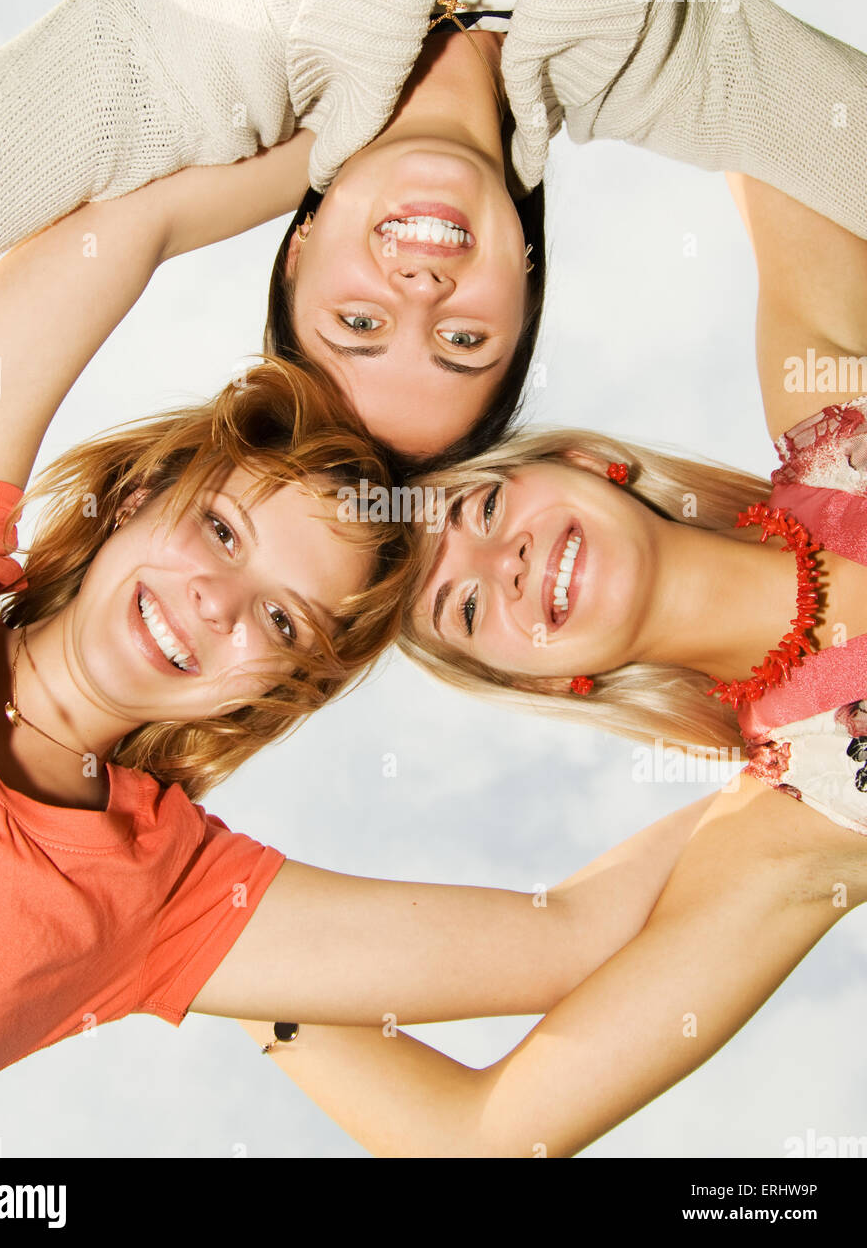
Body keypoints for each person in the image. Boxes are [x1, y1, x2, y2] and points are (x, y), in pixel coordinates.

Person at [0, 166, 726, 1131]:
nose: (218, 605)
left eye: (283, 622)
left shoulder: (157, 895)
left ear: (273, 693)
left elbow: (574, 939)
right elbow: (132, 218)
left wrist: (812, 730)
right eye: (220, 531)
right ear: (136, 497)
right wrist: (403, 128)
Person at [226, 169, 867, 1154]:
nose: (502, 561)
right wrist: (190, 923)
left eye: (481, 509)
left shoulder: (830, 396)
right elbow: (476, 1136)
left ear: (578, 463)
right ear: (538, 677)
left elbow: (765, 112)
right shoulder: (797, 817)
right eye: (467, 605)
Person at [0, 0, 867, 463]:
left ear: (295, 257)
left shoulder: (191, 62)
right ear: (525, 291)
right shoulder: (665, 58)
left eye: (359, 321)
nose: (419, 289)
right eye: (463, 342)